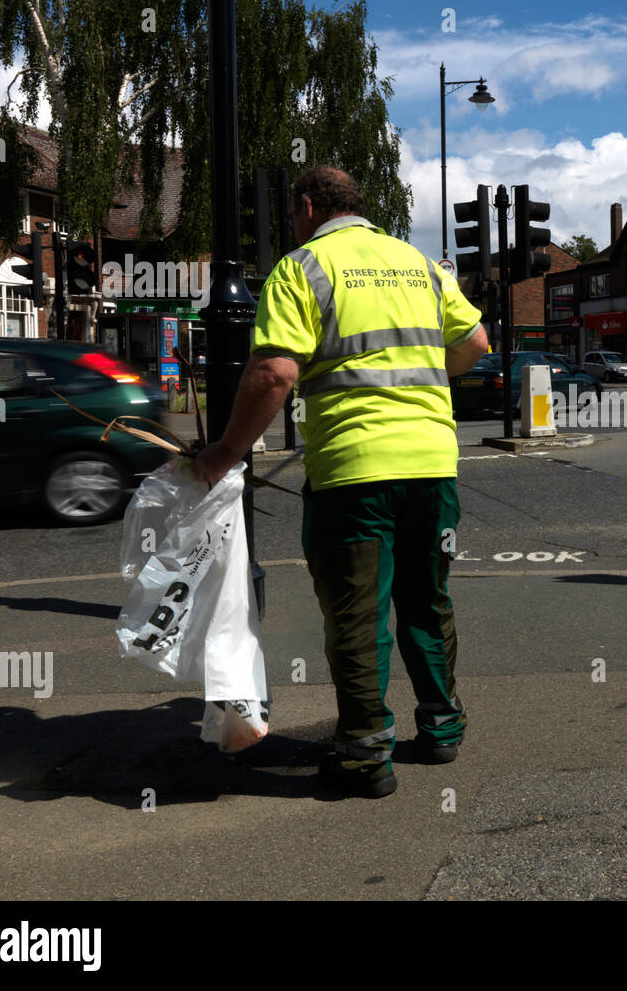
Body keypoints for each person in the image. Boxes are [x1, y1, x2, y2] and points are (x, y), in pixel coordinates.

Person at [191, 165, 488, 799]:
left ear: (305, 208)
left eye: (293, 216)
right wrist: (415, 386)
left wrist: (226, 452)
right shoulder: (420, 265)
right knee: (427, 601)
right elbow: (476, 344)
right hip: (434, 463)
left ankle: (362, 755)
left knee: (357, 616)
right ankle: (441, 729)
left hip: (354, 470)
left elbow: (273, 373)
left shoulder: (304, 267)